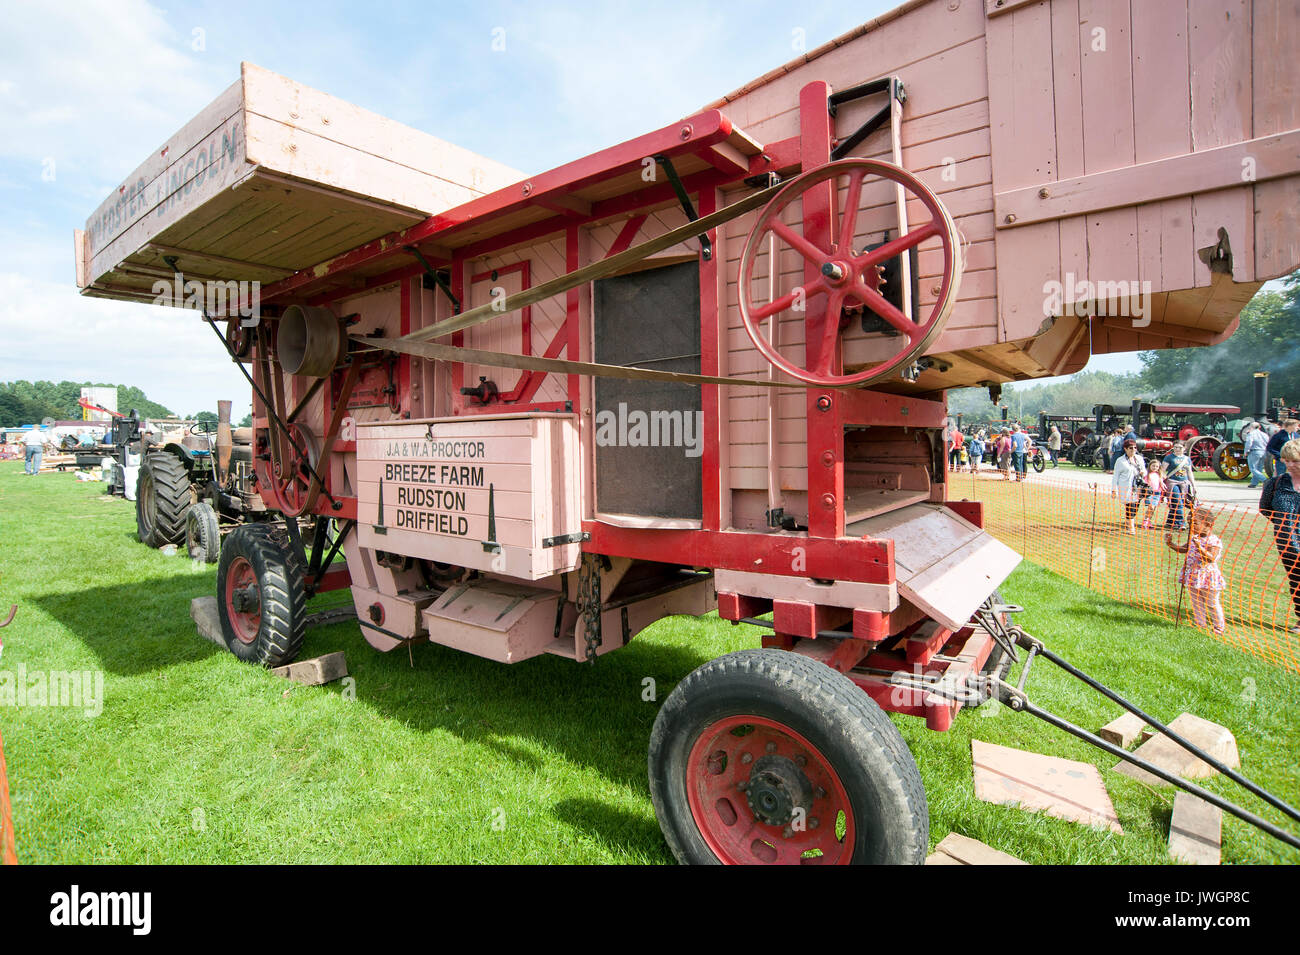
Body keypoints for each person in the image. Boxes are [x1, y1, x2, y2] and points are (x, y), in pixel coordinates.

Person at [1165, 506, 1227, 635]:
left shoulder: (1213, 540)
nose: (1191, 526)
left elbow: (1211, 558)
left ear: (1208, 524)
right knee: (1196, 602)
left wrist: (1199, 546)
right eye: (1189, 523)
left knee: (1212, 603)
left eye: (1194, 523)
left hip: (1208, 577)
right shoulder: (1194, 537)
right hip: (1193, 575)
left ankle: (1219, 627)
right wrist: (1170, 544)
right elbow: (1184, 549)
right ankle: (1200, 624)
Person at [1261, 438, 1300, 634]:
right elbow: (1265, 509)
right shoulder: (1275, 483)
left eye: (1296, 461)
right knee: (1297, 579)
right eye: (1287, 460)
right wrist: (1284, 526)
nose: (1290, 465)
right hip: (1287, 541)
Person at [1161, 441, 1196, 530]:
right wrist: (1161, 481)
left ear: (1184, 448)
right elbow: (1162, 470)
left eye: (1179, 447)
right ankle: (1180, 523)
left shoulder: (1187, 459)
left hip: (1184, 483)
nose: (1177, 449)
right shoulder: (1169, 457)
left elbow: (1189, 472)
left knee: (1177, 502)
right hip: (1172, 482)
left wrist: (1194, 485)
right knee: (1178, 502)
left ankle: (1170, 521)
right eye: (1175, 447)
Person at [1112, 439, 1144, 533]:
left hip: (1137, 486)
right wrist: (1114, 490)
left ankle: (1128, 522)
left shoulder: (1139, 458)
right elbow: (1115, 476)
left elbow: (1144, 470)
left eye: (1135, 447)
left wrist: (1143, 472)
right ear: (1125, 449)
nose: (1133, 450)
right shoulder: (1120, 461)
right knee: (1131, 506)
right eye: (1131, 448)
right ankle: (1131, 528)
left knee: (1136, 506)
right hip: (1126, 487)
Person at [1140, 459, 1165, 529]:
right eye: (1153, 466)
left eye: (1156, 466)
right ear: (1150, 466)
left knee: (1153, 508)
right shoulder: (1147, 475)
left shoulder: (1159, 475)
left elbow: (1161, 483)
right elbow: (1144, 483)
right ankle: (1145, 521)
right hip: (1149, 493)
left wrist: (1162, 486)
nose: (1155, 468)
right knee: (1150, 507)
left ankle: (1148, 521)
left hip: (1157, 493)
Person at [1244, 421, 1269, 488]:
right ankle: (1254, 483)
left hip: (1254, 451)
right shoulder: (1264, 434)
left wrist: (1246, 451)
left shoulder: (1251, 434)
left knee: (1253, 468)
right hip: (1263, 451)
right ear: (1259, 427)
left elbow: (1249, 443)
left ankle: (1265, 480)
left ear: (1251, 427)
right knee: (1259, 468)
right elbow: (1268, 443)